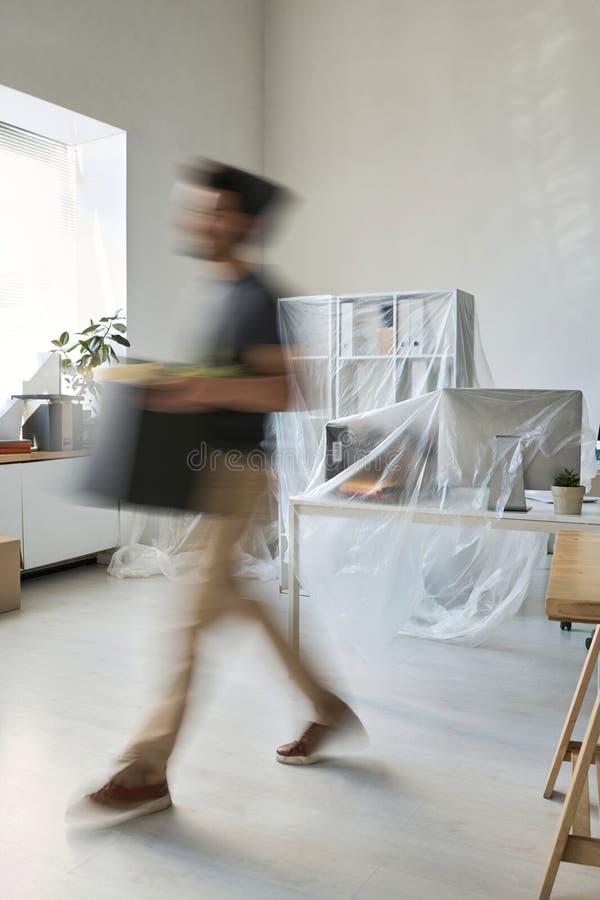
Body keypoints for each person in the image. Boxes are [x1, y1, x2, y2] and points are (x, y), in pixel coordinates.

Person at [69, 161, 365, 824]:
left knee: (188, 618)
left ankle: (147, 769)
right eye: (196, 208)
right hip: (214, 469)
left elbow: (287, 390)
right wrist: (176, 390)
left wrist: (205, 389)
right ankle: (328, 709)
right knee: (238, 603)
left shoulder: (257, 297)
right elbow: (222, 384)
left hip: (239, 474)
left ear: (246, 223)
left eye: (213, 210)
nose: (198, 219)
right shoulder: (215, 294)